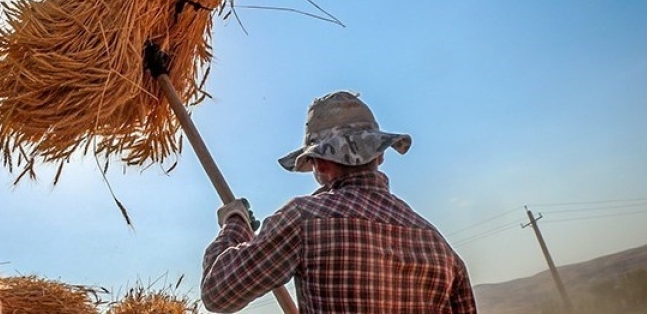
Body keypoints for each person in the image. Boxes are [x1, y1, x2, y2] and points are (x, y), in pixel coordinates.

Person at [201, 91, 477, 313]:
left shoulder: (304, 220)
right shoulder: (439, 246)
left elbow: (218, 294)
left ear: (319, 163)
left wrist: (234, 223)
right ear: (380, 155)